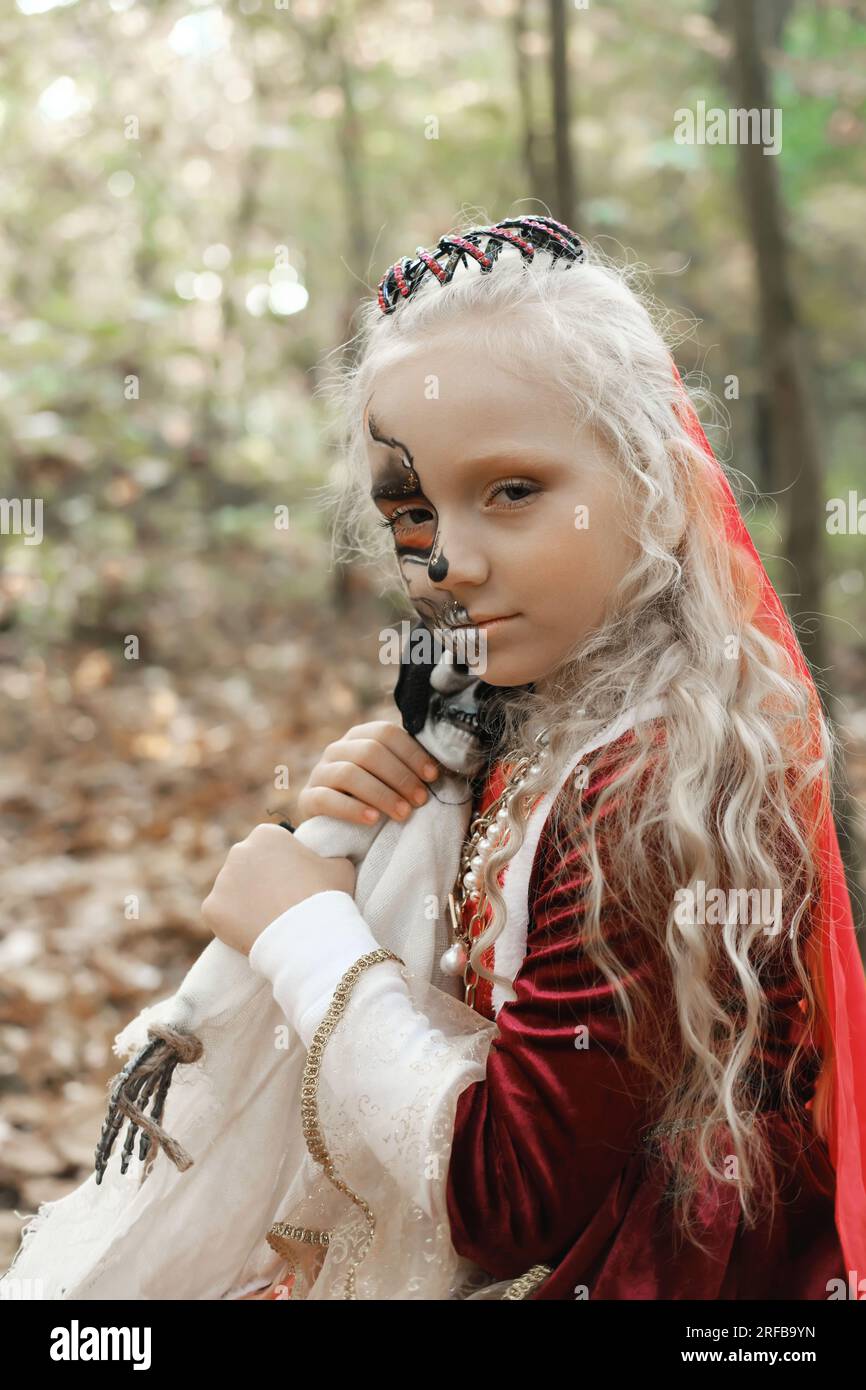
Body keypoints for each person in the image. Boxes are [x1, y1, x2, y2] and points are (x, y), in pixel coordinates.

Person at [201, 215, 866, 1300]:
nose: (448, 559)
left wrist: (302, 931)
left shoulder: (653, 783)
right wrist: (380, 828)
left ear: (649, 476)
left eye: (511, 491)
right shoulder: (516, 709)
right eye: (412, 509)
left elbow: (500, 1196)